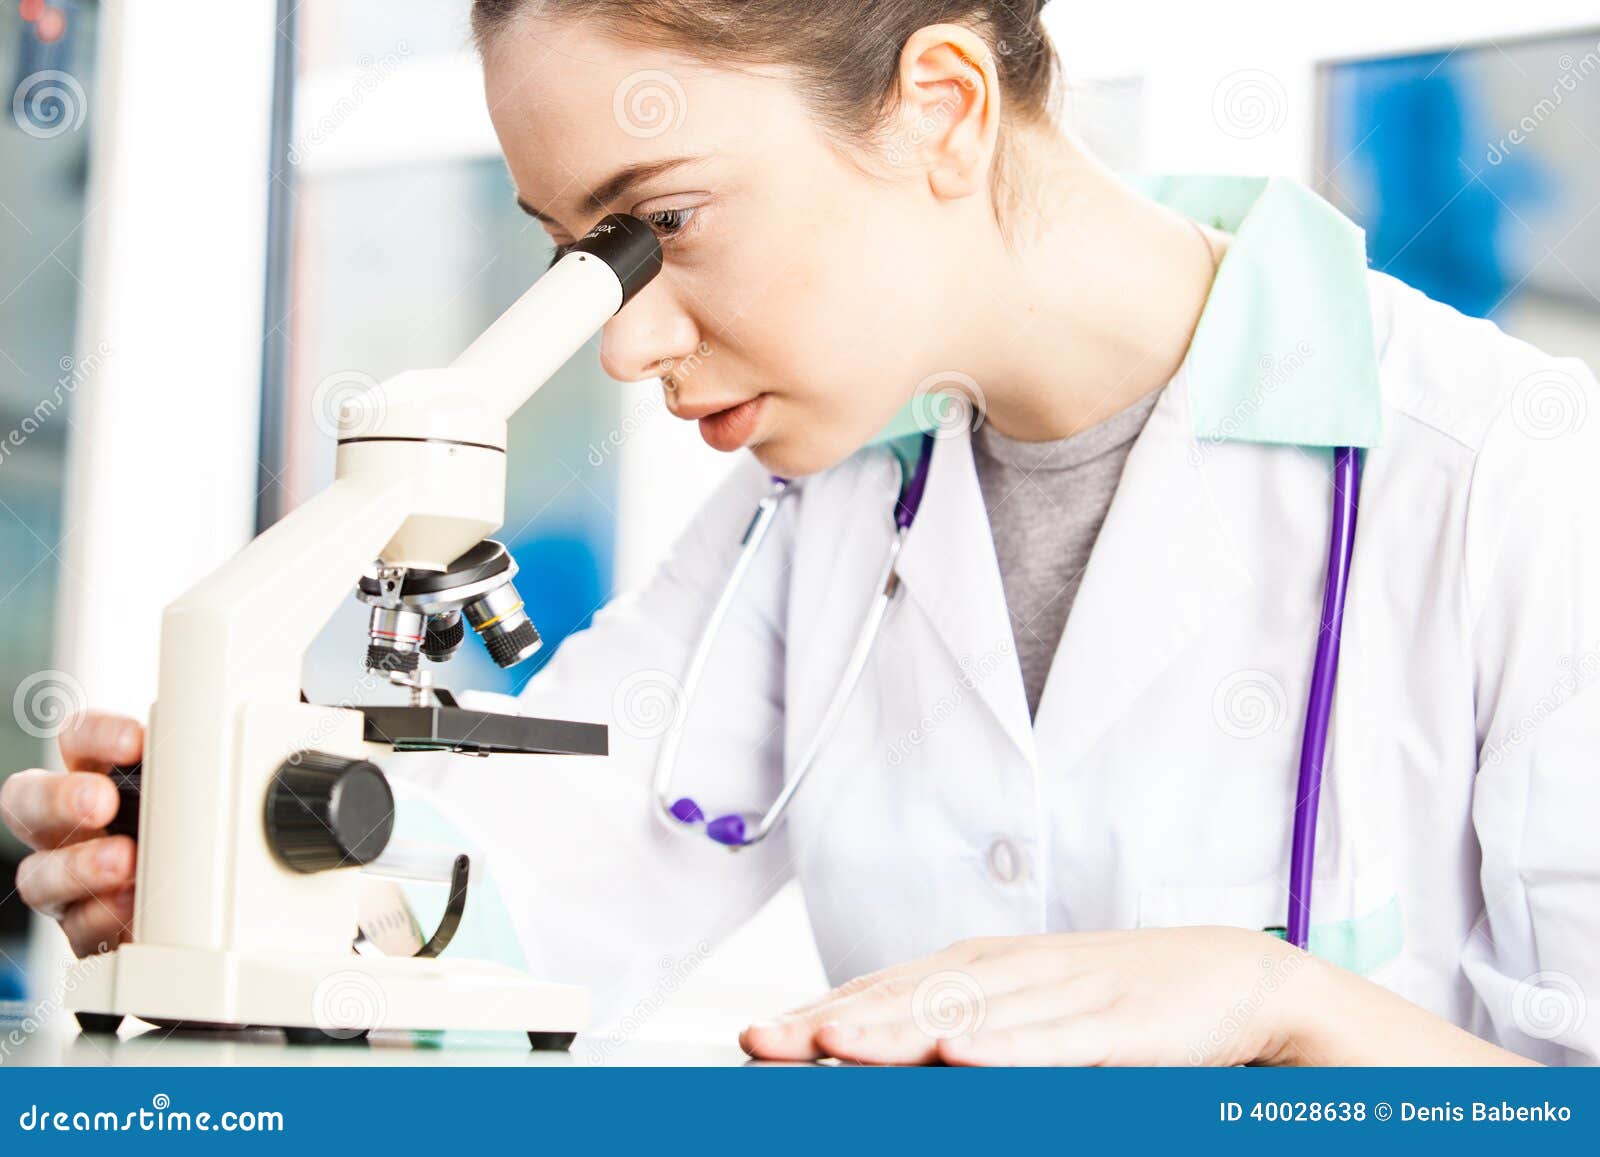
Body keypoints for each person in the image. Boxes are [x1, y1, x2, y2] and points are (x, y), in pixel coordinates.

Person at [5, 0, 1598, 1066]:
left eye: (661, 224)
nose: (624, 345)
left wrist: (1279, 1000)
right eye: (583, 257)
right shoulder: (815, 510)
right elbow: (522, 904)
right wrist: (253, 885)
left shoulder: (1514, 478)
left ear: (944, 109)